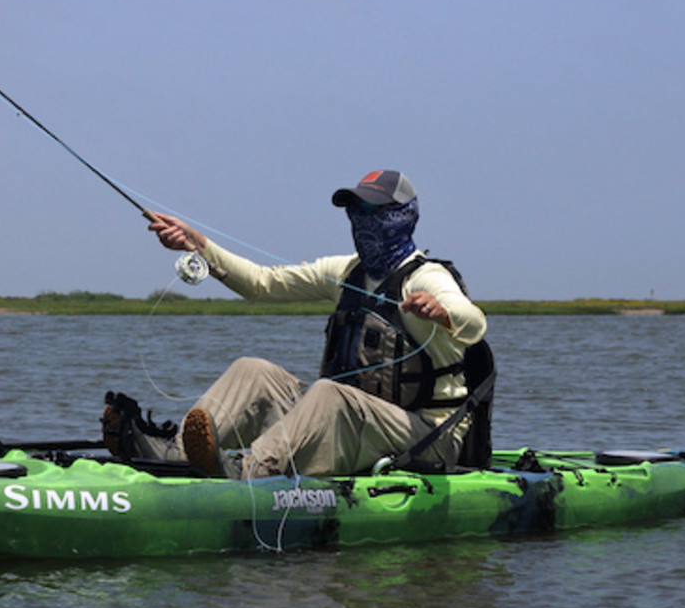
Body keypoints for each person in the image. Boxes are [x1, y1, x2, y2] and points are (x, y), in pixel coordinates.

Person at [104, 170, 488, 479]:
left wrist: (442, 311)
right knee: (253, 370)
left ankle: (248, 470)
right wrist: (198, 244)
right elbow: (261, 283)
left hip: (427, 436)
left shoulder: (427, 277)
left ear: (399, 217)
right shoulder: (344, 272)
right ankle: (179, 454)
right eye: (354, 212)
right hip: (351, 423)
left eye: (371, 212)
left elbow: (474, 323)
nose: (360, 221)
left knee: (328, 394)